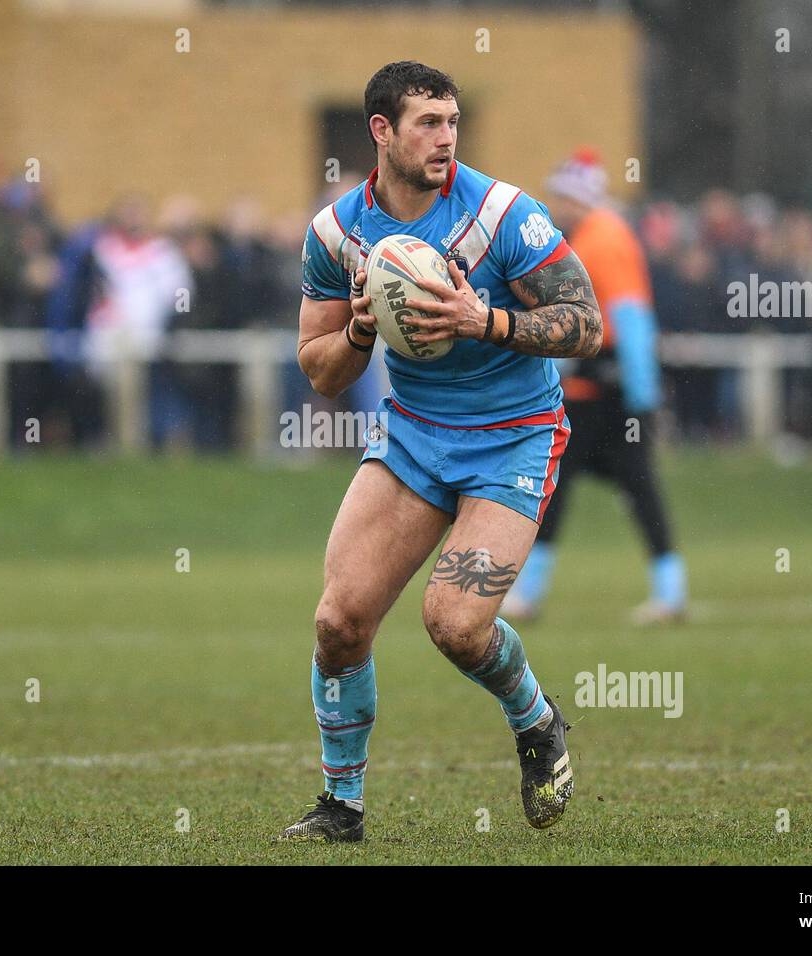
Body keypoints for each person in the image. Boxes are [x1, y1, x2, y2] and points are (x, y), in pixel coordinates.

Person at [280, 61, 602, 843]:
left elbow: (585, 322)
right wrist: (360, 327)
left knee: (455, 625)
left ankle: (535, 721)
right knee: (338, 621)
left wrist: (482, 320)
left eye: (453, 121)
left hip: (513, 439)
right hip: (414, 437)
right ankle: (341, 808)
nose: (446, 137)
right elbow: (320, 371)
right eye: (428, 122)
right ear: (381, 132)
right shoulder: (336, 235)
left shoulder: (502, 214)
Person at [502, 148, 688, 626]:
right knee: (590, 487)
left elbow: (629, 316)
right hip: (593, 392)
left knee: (613, 486)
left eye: (561, 195)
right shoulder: (593, 235)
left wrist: (641, 396)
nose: (555, 204)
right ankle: (668, 588)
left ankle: (668, 590)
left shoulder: (603, 239)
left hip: (606, 394)